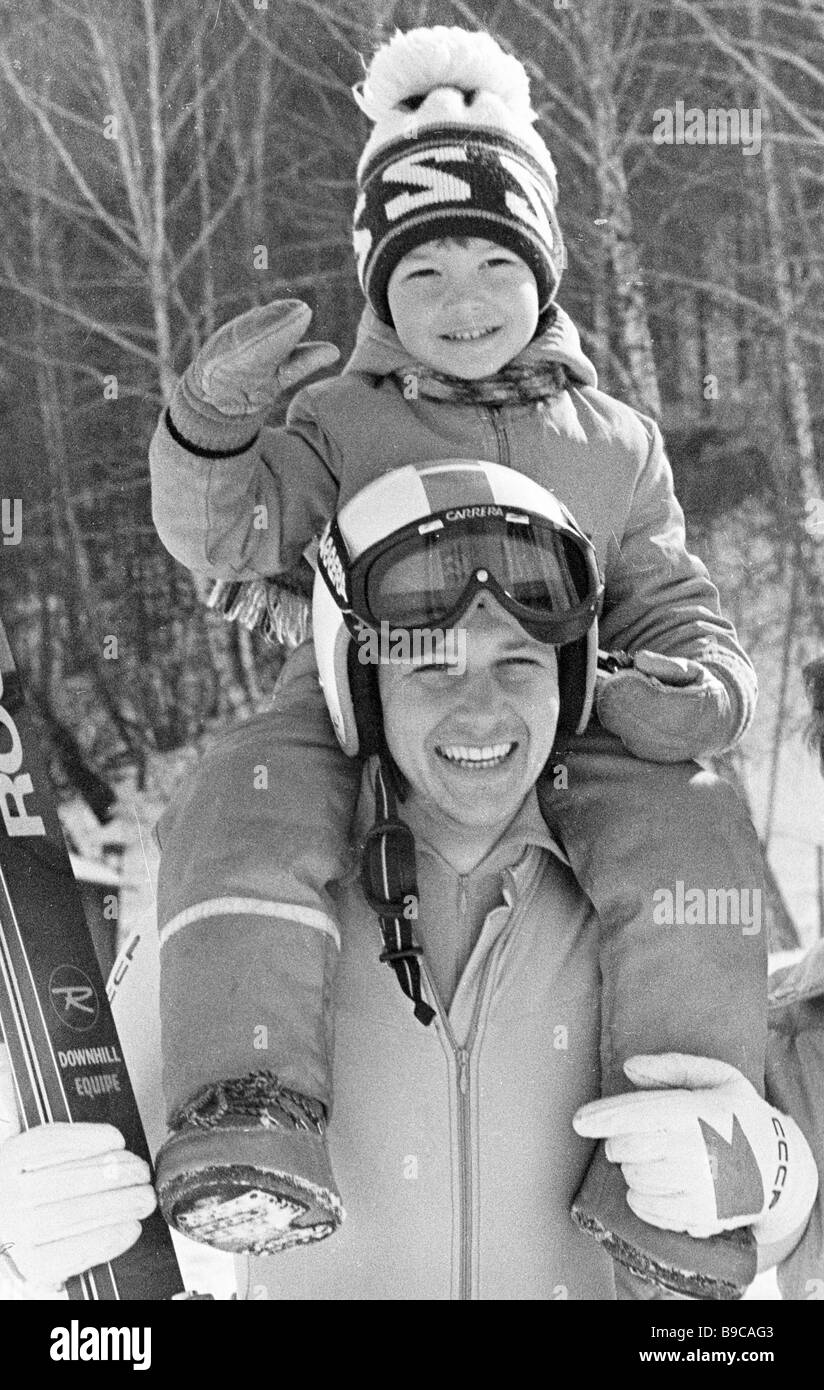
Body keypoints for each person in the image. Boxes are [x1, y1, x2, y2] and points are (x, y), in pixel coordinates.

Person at [148, 27, 767, 1294]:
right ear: (380, 292)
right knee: (238, 802)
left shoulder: (612, 441)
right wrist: (211, 430)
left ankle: (678, 1152)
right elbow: (235, 534)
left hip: (571, 713)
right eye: (421, 271)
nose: (463, 297)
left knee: (694, 830)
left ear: (543, 268)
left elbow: (665, 596)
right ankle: (247, 1104)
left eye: (494, 259)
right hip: (348, 699)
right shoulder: (339, 419)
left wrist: (695, 690)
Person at [0, 463, 819, 1301]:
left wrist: (777, 1181)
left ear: (571, 682)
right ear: (362, 687)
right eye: (431, 667)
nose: (483, 710)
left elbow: (784, 1236)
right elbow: (92, 1148)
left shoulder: (657, 906)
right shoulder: (250, 909)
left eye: (521, 665)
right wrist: (23, 1242)